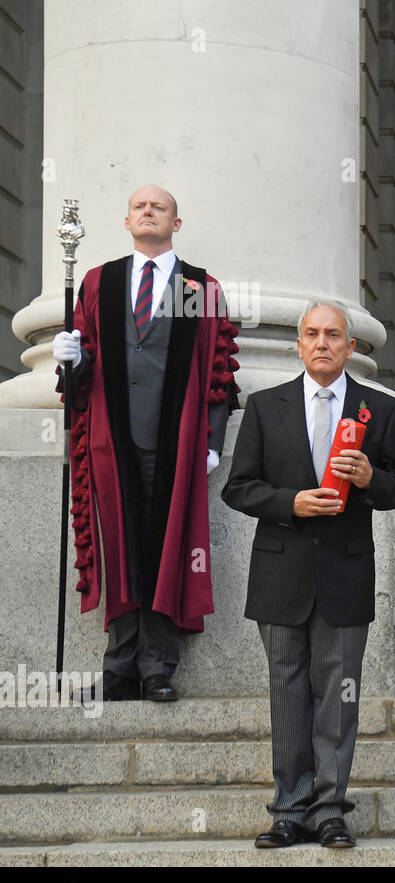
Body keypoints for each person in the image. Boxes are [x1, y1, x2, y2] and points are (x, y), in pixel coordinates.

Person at [222, 300, 395, 849]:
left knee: (339, 694)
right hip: (281, 575)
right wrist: (292, 503)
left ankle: (330, 808)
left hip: (344, 575)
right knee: (286, 694)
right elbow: (238, 488)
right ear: (300, 344)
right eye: (312, 334)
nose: (323, 343)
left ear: (350, 347)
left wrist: (373, 476)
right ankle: (289, 807)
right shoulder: (264, 407)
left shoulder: (380, 408)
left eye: (334, 335)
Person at [53, 185, 239, 703]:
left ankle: (157, 667)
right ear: (127, 220)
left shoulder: (199, 288)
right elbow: (85, 361)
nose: (149, 211)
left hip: (174, 438)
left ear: (176, 224)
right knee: (120, 544)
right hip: (111, 435)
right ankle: (119, 668)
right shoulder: (100, 283)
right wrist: (72, 357)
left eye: (160, 207)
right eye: (140, 206)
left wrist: (212, 443)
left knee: (166, 545)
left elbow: (218, 368)